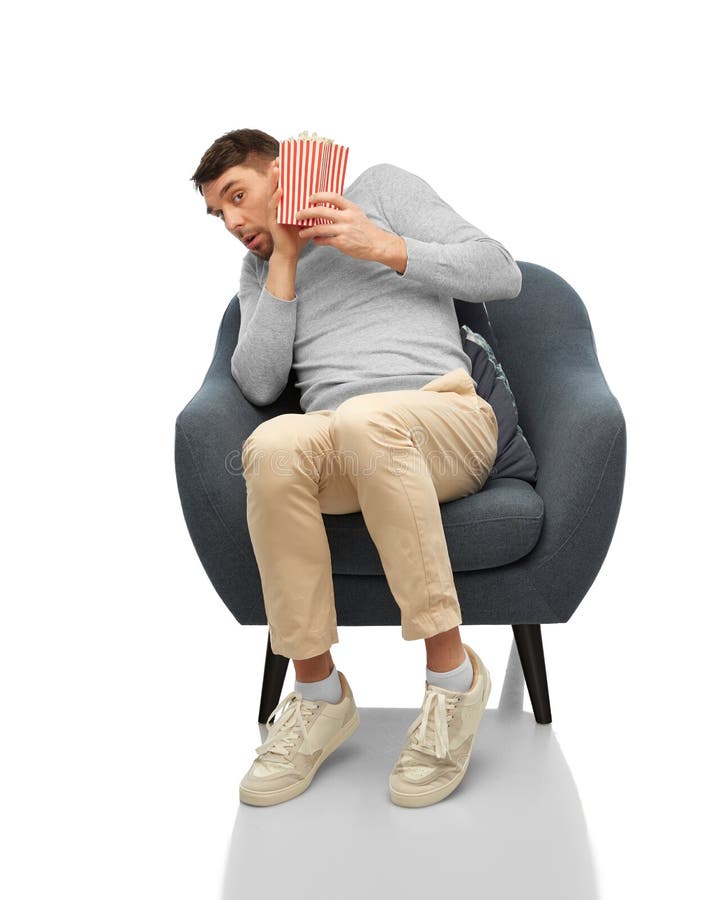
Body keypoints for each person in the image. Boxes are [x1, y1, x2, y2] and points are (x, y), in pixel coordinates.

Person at [190, 128, 522, 808]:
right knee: (274, 445)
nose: (231, 222)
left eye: (238, 196)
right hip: (342, 442)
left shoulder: (382, 190)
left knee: (369, 420)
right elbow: (256, 386)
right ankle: (316, 695)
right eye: (218, 214)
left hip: (443, 418)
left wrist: (382, 246)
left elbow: (502, 272)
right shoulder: (259, 272)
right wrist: (283, 260)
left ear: (280, 171)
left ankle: (453, 681)